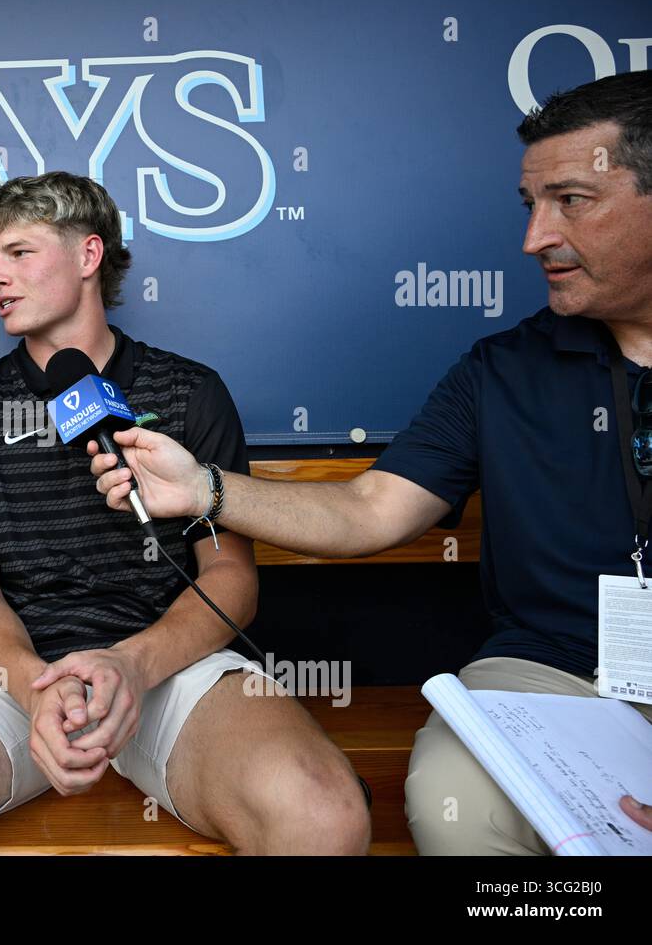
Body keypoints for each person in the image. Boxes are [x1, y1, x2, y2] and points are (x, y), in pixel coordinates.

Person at [85, 72, 652, 854]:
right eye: (531, 206)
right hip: (548, 679)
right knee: (456, 803)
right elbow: (369, 509)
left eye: (572, 202)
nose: (535, 238)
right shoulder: (503, 368)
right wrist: (203, 488)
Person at [0, 172, 371, 854]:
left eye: (19, 253)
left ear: (89, 256)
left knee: (322, 815)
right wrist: (34, 690)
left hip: (167, 671)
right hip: (19, 678)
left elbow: (231, 582)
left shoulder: (190, 391)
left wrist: (133, 666)